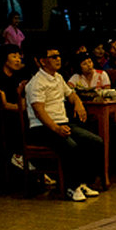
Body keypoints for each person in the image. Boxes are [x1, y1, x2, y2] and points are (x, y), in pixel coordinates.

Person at [25, 45, 102, 201]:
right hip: (42, 128)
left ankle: (83, 182)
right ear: (42, 61)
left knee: (95, 141)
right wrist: (55, 128)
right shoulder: (36, 83)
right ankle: (70, 187)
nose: (58, 59)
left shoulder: (58, 77)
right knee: (71, 146)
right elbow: (39, 111)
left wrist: (78, 103)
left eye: (58, 55)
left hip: (63, 123)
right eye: (53, 57)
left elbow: (71, 94)